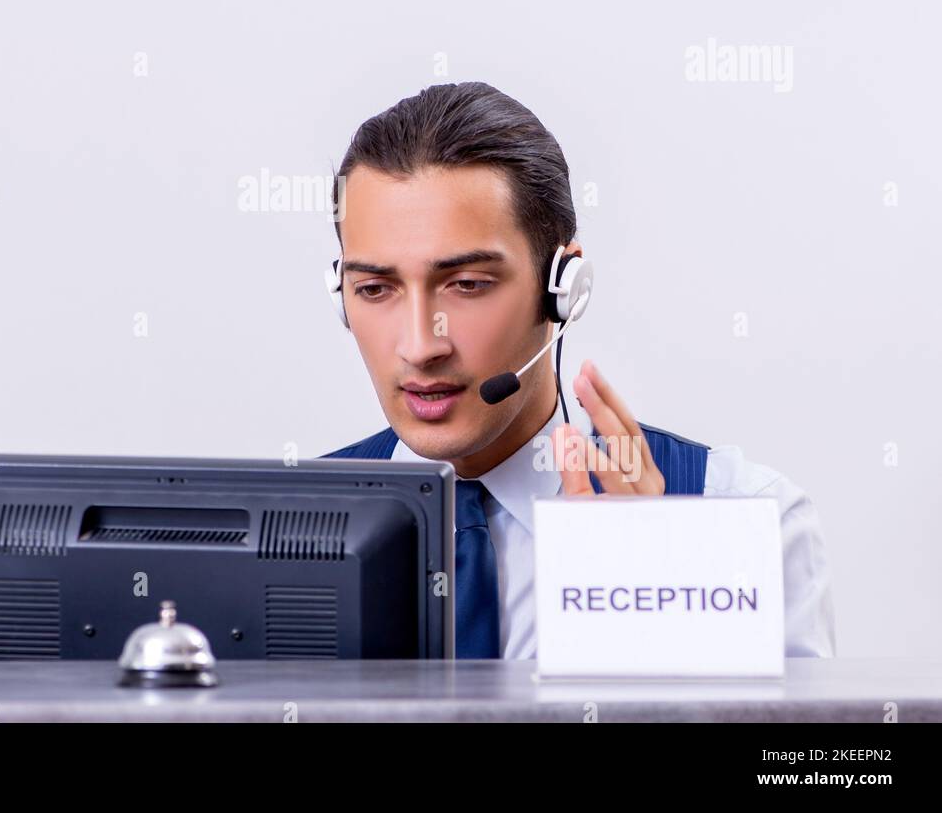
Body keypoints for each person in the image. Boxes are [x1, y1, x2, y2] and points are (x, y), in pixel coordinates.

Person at [320, 81, 835, 660]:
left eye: (467, 284)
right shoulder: (272, 528)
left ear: (563, 289)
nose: (420, 346)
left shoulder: (749, 521)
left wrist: (672, 624)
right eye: (374, 288)